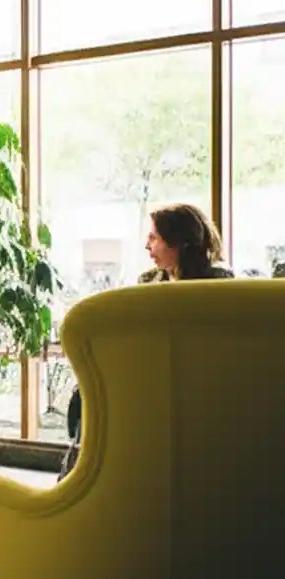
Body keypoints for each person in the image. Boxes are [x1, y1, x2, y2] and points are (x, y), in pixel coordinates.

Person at [60, 203, 233, 480]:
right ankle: (75, 478)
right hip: (148, 368)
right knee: (88, 390)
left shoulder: (219, 283)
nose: (146, 246)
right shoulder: (148, 281)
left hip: (194, 374)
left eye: (154, 237)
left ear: (178, 242)